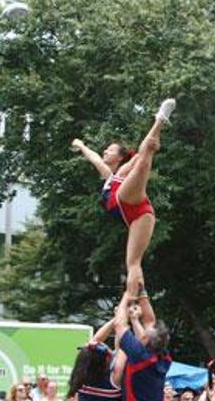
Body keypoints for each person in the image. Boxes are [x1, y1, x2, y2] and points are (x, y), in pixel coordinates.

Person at [71, 99, 175, 298]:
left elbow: (99, 158)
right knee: (133, 263)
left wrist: (82, 145)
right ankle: (139, 301)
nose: (105, 151)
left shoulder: (117, 174)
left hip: (129, 199)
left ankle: (159, 121)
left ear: (119, 157)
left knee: (143, 159)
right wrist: (81, 146)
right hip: (140, 215)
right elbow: (94, 157)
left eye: (109, 150)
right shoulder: (110, 176)